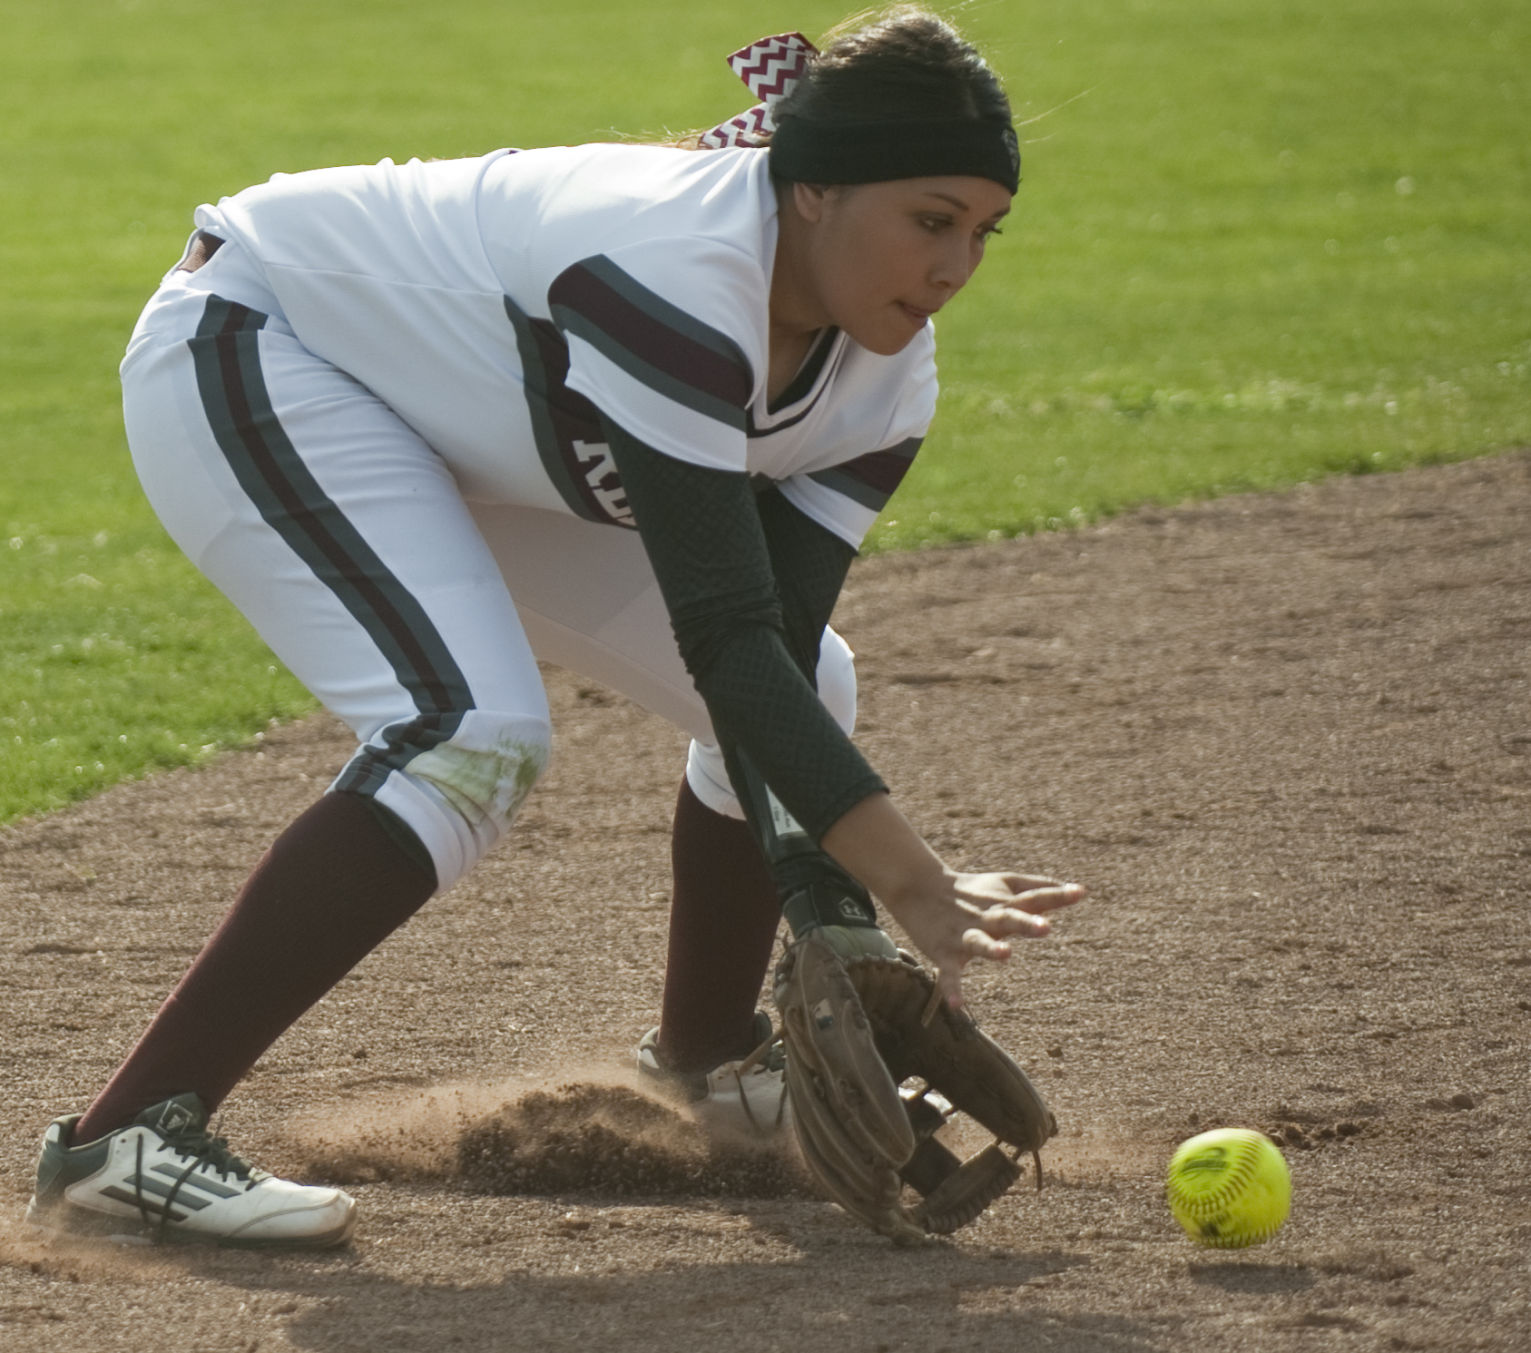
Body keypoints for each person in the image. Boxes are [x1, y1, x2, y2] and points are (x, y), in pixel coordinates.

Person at [26, 7, 1085, 1249]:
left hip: (442, 418)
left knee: (818, 681)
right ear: (812, 193)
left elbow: (769, 668)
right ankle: (128, 1138)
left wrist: (826, 903)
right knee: (464, 732)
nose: (957, 263)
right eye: (929, 218)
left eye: (983, 230)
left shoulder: (886, 380)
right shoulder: (679, 270)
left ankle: (705, 1065)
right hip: (264, 346)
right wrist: (905, 883)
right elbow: (724, 632)